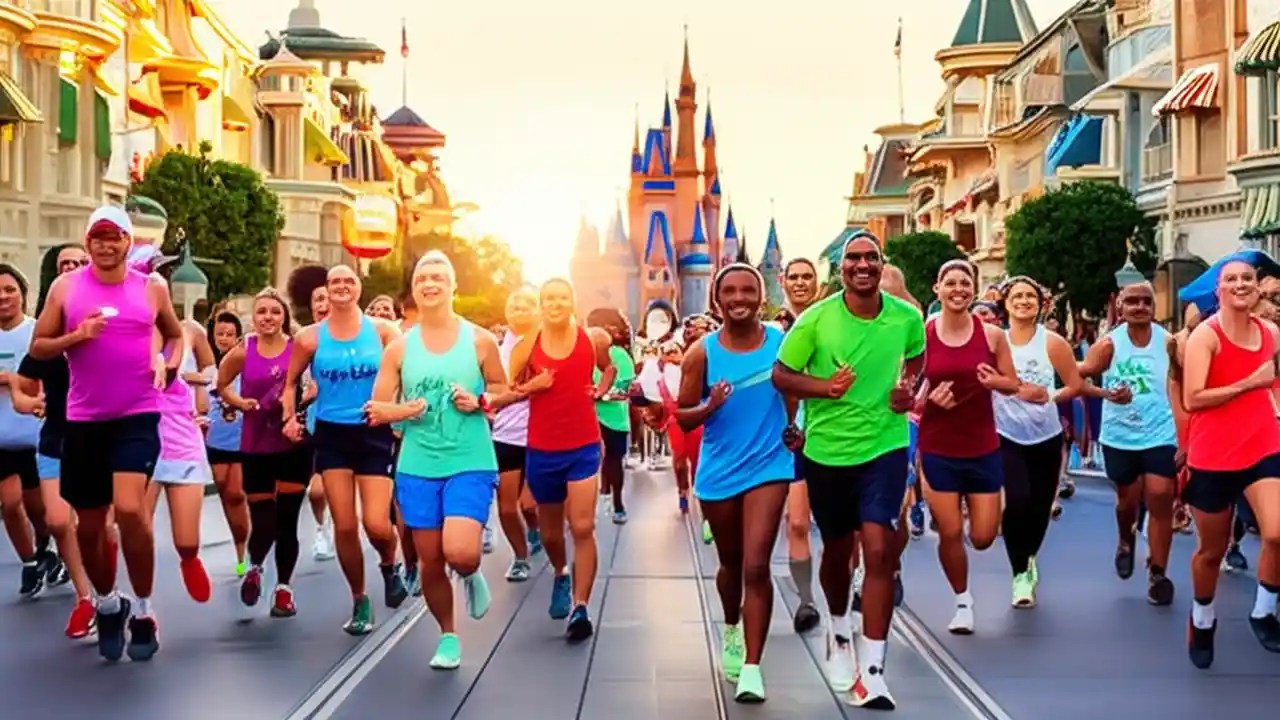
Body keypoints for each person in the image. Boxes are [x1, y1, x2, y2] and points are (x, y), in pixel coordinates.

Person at [773, 232, 924, 710]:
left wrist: (908, 388)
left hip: (885, 445)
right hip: (828, 452)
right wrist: (825, 388)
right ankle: (839, 630)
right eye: (852, 259)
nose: (862, 265)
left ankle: (874, 670)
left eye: (871, 258)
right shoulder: (816, 320)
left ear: (882, 265)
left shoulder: (906, 318)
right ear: (841, 270)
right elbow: (782, 374)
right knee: (839, 552)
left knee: (879, 548)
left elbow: (918, 358)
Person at [31, 205, 185, 662]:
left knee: (132, 509)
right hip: (84, 420)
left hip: (137, 415)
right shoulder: (66, 287)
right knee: (91, 527)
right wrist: (77, 336)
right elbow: (39, 346)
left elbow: (174, 336)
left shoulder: (151, 288)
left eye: (114, 236)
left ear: (127, 241)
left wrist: (168, 363)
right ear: (88, 241)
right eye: (97, 237)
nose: (105, 244)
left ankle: (142, 609)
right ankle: (107, 602)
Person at [368, 251, 507, 669]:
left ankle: (470, 571)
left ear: (452, 287)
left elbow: (502, 388)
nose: (430, 284)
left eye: (438, 278)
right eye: (422, 278)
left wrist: (481, 400)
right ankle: (448, 636)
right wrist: (407, 411)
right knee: (430, 558)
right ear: (414, 290)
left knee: (460, 551)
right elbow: (375, 408)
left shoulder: (480, 340)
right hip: (417, 465)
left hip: (469, 459)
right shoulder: (399, 348)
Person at [677, 263, 792, 702]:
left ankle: (752, 667)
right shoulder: (701, 354)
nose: (739, 298)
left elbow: (796, 389)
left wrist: (798, 425)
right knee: (732, 562)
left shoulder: (783, 342)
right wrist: (711, 405)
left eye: (749, 290)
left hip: (770, 464)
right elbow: (683, 416)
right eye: (730, 291)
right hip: (721, 470)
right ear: (717, 299)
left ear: (761, 298)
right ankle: (731, 627)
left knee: (757, 565)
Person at [282, 266, 407, 635]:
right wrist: (290, 417)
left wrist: (401, 411)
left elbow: (406, 371)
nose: (341, 287)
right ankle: (359, 599)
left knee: (376, 523)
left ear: (358, 289)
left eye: (348, 281)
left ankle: (390, 563)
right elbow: (290, 384)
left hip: (373, 430)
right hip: (332, 434)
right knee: (346, 524)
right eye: (334, 282)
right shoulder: (309, 338)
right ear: (327, 291)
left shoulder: (383, 331)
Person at [1181, 257, 1280, 668]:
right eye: (1231, 279)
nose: (1240, 284)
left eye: (1247, 279)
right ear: (1218, 290)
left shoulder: (1271, 332)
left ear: (1257, 288)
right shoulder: (1206, 336)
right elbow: (1193, 398)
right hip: (1215, 453)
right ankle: (1202, 617)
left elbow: (1274, 383)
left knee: (1277, 533)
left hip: (1262, 444)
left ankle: (1264, 610)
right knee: (1210, 550)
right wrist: (1248, 383)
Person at [916, 260, 1021, 635]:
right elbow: (903, 396)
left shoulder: (992, 336)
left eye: (965, 283)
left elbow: (1014, 383)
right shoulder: (922, 334)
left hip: (981, 445)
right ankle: (963, 602)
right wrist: (928, 403)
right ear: (937, 289)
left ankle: (979, 509)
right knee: (948, 532)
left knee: (982, 536)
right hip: (937, 444)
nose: (958, 289)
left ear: (973, 289)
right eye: (950, 283)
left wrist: (996, 382)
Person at [509, 278, 615, 641]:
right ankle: (560, 571)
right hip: (542, 449)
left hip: (583, 445)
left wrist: (600, 390)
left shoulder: (592, 338)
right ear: (541, 304)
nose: (555, 304)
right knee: (552, 533)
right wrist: (530, 389)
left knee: (583, 527)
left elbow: (610, 367)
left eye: (562, 297)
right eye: (549, 298)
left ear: (573, 301)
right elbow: (506, 391)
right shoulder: (527, 345)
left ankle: (581, 606)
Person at [11, 246, 95, 638]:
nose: (72, 271)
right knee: (59, 521)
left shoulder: (109, 329)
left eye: (79, 263)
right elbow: (23, 390)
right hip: (55, 438)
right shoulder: (47, 339)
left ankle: (110, 594)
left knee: (102, 529)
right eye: (65, 266)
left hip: (101, 439)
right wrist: (32, 401)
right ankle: (84, 598)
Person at [994, 277, 1093, 607]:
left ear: (1041, 304)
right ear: (1005, 304)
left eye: (1030, 296)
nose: (1024, 301)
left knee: (1038, 509)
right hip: (1005, 433)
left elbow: (1075, 385)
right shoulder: (995, 341)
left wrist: (1047, 395)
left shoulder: (1052, 343)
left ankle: (1029, 558)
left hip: (1045, 436)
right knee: (1017, 500)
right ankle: (1019, 574)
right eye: (1017, 296)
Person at [1078, 282, 1178, 605]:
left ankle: (1158, 574)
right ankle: (1126, 537)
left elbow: (1183, 381)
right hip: (1120, 435)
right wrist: (1106, 394)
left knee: (1162, 496)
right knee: (1128, 499)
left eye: (1146, 301)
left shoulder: (1168, 343)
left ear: (1154, 307)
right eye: (1131, 301)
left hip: (1160, 433)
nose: (1139, 306)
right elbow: (1080, 374)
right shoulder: (1109, 345)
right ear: (1120, 308)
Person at [218, 289, 312, 619]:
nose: (268, 317)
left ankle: (283, 590)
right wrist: (239, 402)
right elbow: (222, 383)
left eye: (274, 312)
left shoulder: (298, 348)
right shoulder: (245, 350)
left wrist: (300, 408)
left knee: (287, 521)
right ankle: (256, 568)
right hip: (256, 443)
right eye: (261, 312)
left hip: (293, 443)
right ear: (253, 318)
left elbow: (314, 386)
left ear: (284, 316)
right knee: (264, 521)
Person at [0, 264, 56, 601]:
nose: (3, 297)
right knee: (9, 504)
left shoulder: (38, 333)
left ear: (22, 293)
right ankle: (30, 562)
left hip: (36, 435)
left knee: (40, 511)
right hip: (2, 439)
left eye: (9, 289)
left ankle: (47, 544)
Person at [777, 257, 822, 634]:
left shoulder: (829, 324)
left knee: (843, 526)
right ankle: (806, 601)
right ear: (783, 281)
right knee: (796, 522)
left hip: (830, 434)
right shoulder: (773, 331)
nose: (801, 283)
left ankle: (851, 586)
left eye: (808, 277)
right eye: (794, 277)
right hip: (790, 438)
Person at [490, 286, 543, 581]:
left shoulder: (547, 344)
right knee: (507, 508)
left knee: (529, 504)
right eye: (514, 306)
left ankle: (535, 529)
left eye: (527, 306)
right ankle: (520, 556)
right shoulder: (496, 348)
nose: (520, 310)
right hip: (505, 435)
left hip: (538, 436)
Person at [205, 311, 250, 576]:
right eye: (219, 334)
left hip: (243, 436)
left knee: (237, 493)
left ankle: (247, 553)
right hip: (215, 437)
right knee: (224, 490)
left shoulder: (245, 361)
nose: (223, 338)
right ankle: (239, 545)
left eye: (229, 334)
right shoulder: (207, 365)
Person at [586, 308, 636, 524]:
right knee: (588, 464)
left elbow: (624, 386)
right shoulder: (582, 353)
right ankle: (589, 505)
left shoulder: (620, 355)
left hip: (614, 418)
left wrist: (600, 393)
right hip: (588, 417)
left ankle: (617, 502)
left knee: (614, 460)